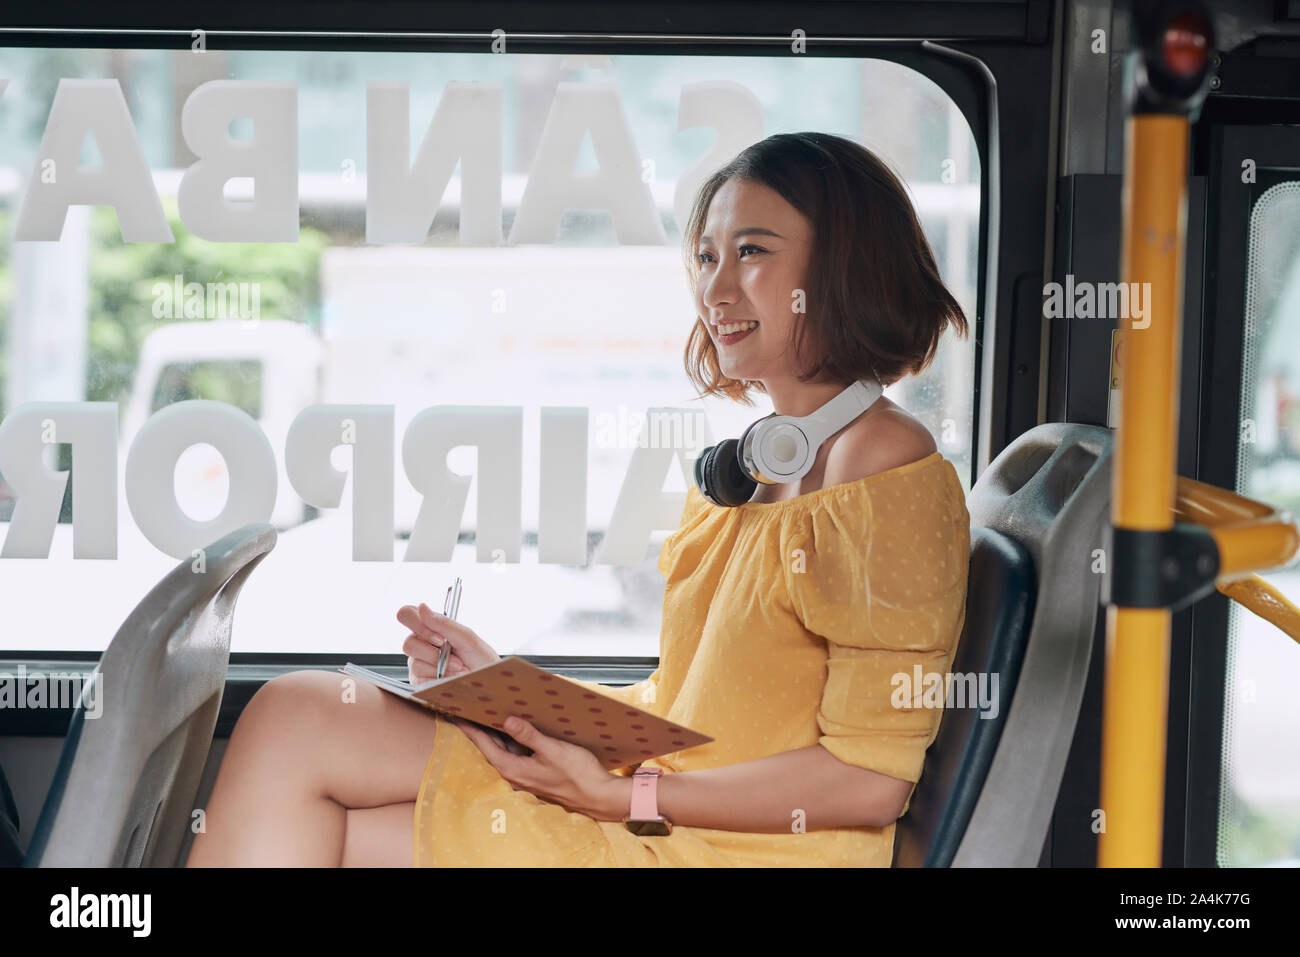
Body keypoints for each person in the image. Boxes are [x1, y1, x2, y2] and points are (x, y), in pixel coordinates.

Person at [186, 131, 970, 867]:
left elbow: (872, 782)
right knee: (298, 714)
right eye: (705, 256)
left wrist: (628, 793)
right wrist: (505, 689)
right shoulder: (763, 460)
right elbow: (690, 704)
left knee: (342, 821)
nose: (716, 287)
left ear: (845, 268)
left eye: (752, 252)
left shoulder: (884, 469)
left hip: (729, 845)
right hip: (666, 802)